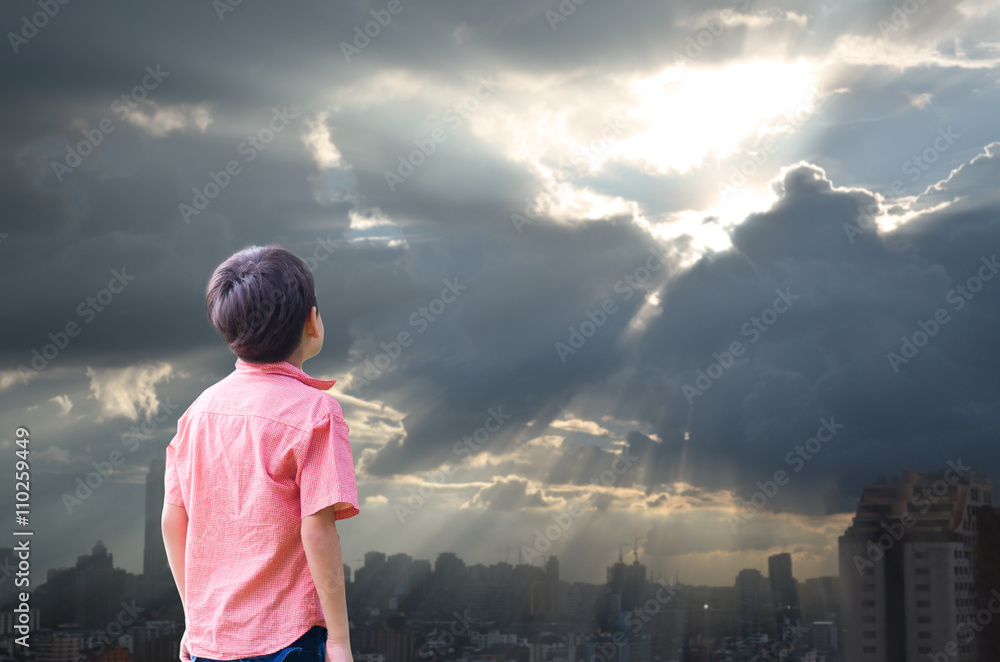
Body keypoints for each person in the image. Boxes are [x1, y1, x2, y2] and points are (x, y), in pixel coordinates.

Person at [161, 244, 359, 662]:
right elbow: (318, 531)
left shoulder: (197, 413)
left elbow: (173, 520)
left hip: (211, 641)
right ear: (312, 321)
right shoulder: (316, 413)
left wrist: (193, 620)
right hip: (288, 639)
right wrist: (339, 639)